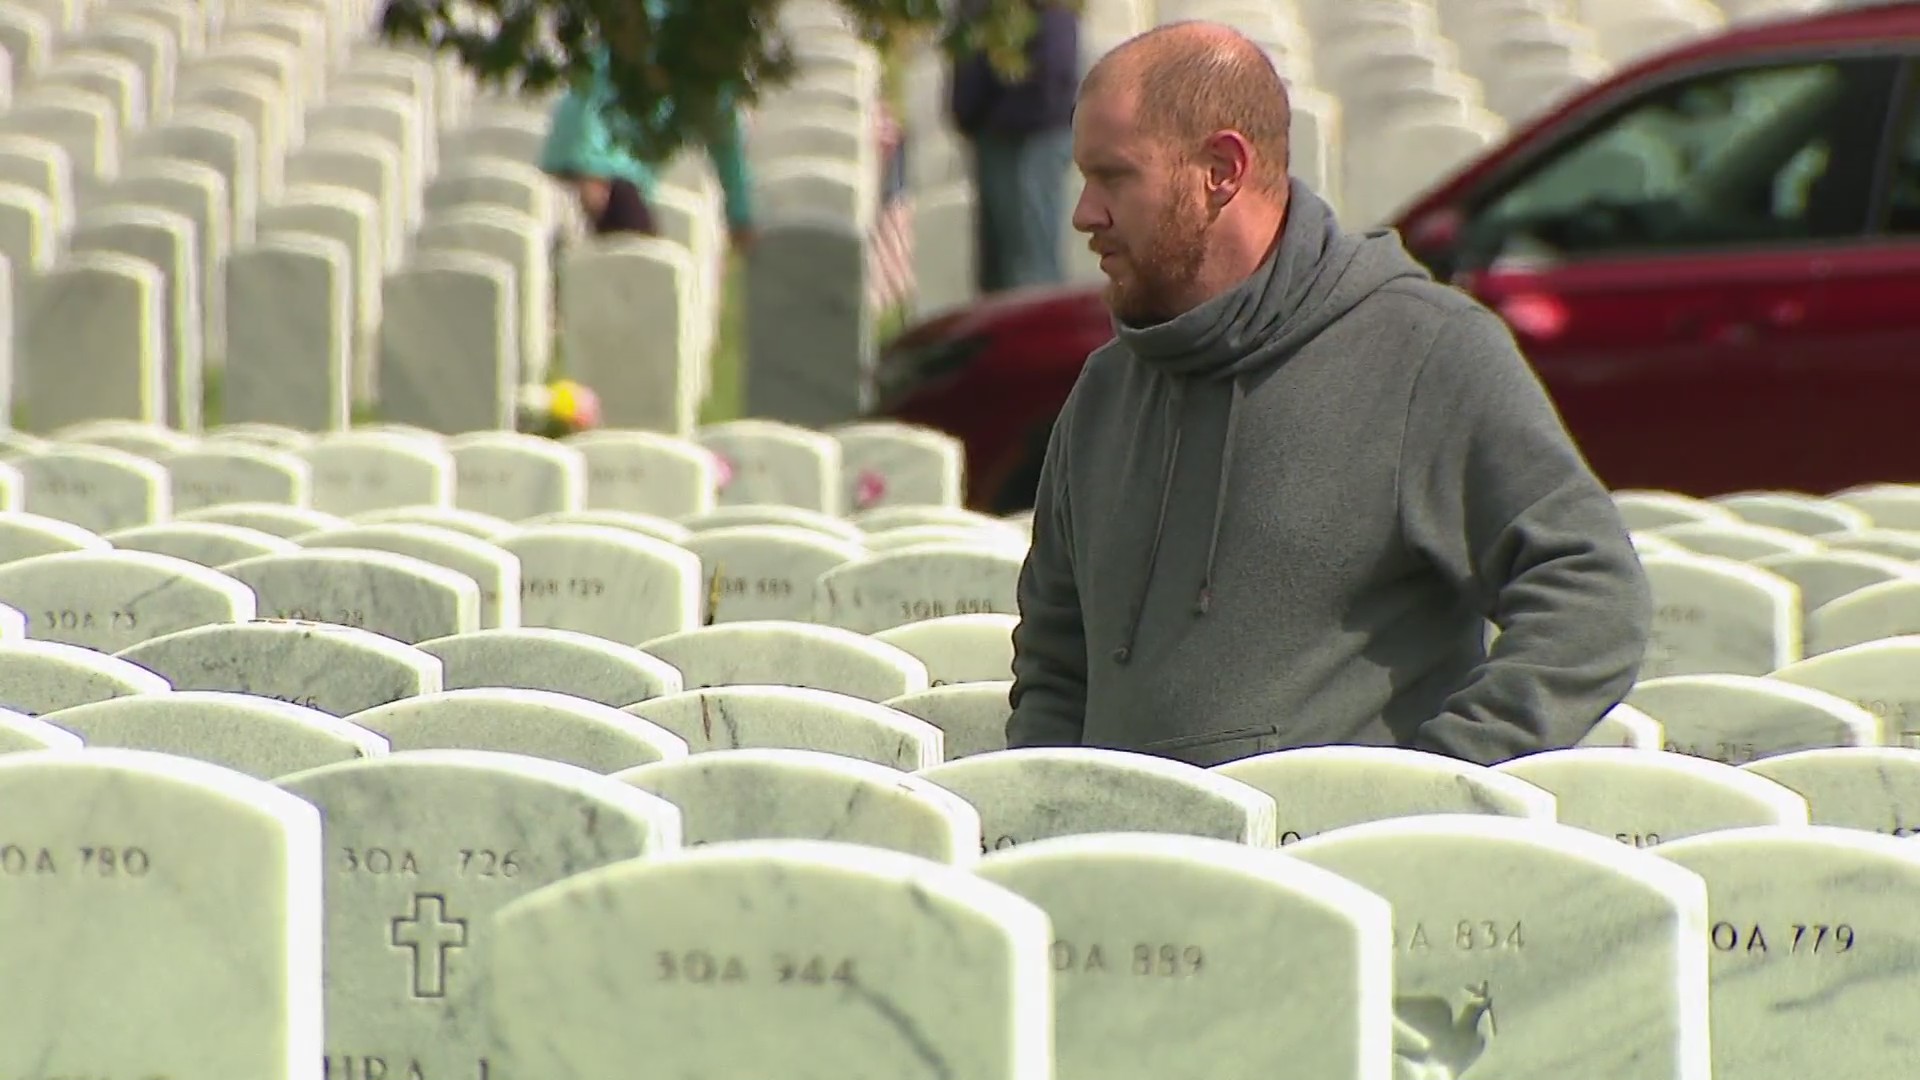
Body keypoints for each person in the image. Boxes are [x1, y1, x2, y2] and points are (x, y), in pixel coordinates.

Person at [1007, 21, 1653, 768]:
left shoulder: (1424, 352)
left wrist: (1439, 785)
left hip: (1342, 874)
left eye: (1114, 177)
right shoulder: (1104, 392)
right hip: (1120, 873)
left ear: (1221, 168)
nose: (1085, 213)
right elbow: (1055, 667)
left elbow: (1592, 595)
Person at [539, 41, 754, 244]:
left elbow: (724, 142)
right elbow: (587, 104)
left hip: (603, 169)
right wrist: (587, 169)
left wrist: (740, 215)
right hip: (598, 171)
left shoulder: (707, 71)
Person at [949, 0, 1081, 293]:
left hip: (1027, 134)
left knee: (1029, 268)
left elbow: (1048, 74)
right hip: (1000, 128)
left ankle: (1037, 337)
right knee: (1001, 268)